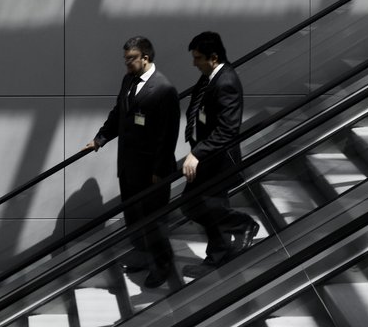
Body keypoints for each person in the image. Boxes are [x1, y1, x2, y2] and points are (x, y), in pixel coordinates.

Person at [84, 36, 180, 288]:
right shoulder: (128, 80)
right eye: (125, 59)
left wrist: (159, 171)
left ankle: (163, 264)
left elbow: (167, 135)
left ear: (145, 58)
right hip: (129, 166)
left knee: (154, 220)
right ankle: (144, 254)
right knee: (134, 216)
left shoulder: (164, 90)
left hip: (152, 171)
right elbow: (119, 114)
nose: (126, 63)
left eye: (130, 59)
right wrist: (100, 138)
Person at [181, 31, 258, 275]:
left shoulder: (226, 82)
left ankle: (242, 224)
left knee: (197, 205)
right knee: (195, 204)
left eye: (198, 58)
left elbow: (228, 129)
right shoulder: (210, 77)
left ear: (213, 58)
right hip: (206, 156)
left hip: (218, 160)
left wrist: (197, 153)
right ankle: (218, 253)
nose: (194, 63)